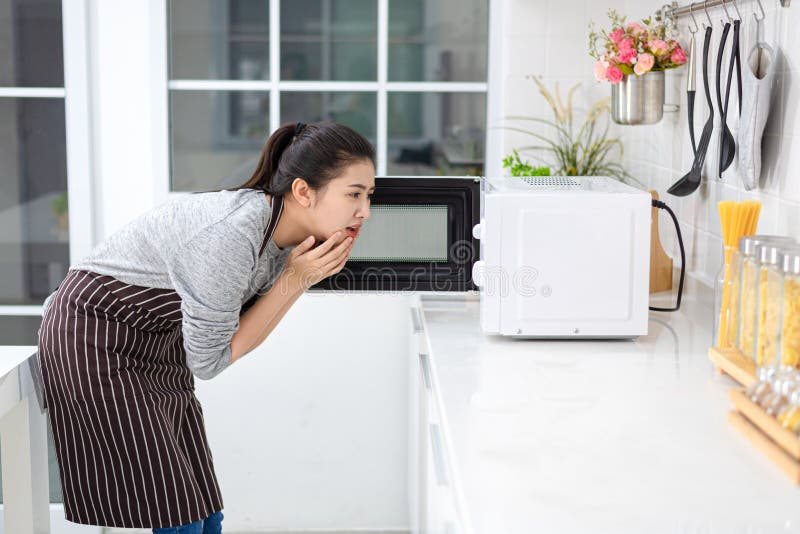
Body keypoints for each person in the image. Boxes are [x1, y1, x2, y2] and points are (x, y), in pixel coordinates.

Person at [35, 121, 375, 533]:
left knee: (203, 510)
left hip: (156, 343)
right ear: (303, 191)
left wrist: (296, 278)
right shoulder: (232, 236)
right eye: (354, 194)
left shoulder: (283, 236)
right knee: (176, 515)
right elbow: (209, 362)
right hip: (94, 338)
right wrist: (294, 282)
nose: (365, 211)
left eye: (369, 196)